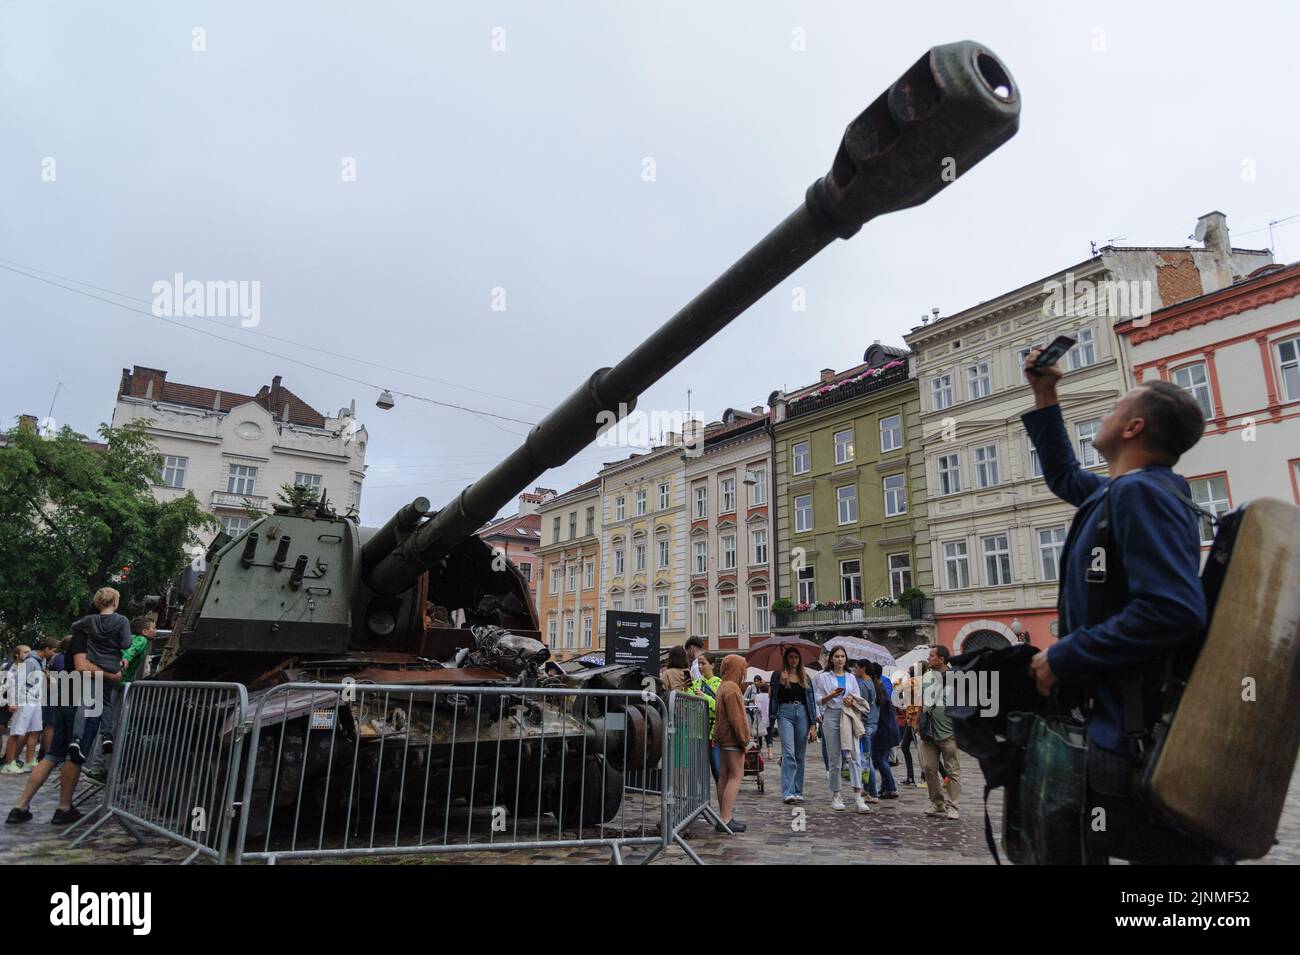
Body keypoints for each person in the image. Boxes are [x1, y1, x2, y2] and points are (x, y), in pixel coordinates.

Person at [1021, 348, 1211, 863]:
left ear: (1133, 428)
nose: (1102, 420)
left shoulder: (1142, 496)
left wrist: (1065, 654)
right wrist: (1044, 393)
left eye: (1113, 410)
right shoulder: (1117, 492)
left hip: (1128, 734)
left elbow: (1173, 609)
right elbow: (1063, 476)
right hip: (1110, 724)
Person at [6, 604, 117, 825]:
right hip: (86, 698)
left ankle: (21, 806)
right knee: (74, 756)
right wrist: (113, 675)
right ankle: (64, 807)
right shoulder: (94, 639)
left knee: (52, 754)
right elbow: (84, 667)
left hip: (68, 694)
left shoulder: (78, 635)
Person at [67, 588, 133, 764]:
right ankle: (107, 736)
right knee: (106, 702)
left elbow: (74, 627)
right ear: (115, 603)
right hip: (111, 666)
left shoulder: (90, 620)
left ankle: (76, 739)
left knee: (85, 701)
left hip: (94, 662)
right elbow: (127, 644)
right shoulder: (122, 621)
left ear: (97, 603)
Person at [85, 617, 154, 782]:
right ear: (145, 631)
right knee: (113, 726)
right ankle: (98, 767)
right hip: (120, 684)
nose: (156, 630)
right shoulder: (142, 640)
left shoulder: (127, 638)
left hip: (112, 683)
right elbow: (130, 651)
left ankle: (96, 766)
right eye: (154, 627)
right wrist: (125, 661)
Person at [815, 647, 870, 813]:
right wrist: (832, 695)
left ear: (846, 659)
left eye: (842, 656)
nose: (840, 659)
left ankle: (858, 795)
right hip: (831, 716)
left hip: (848, 715)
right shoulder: (822, 677)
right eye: (837, 656)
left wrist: (850, 699)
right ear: (831, 659)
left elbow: (857, 696)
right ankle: (837, 795)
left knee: (854, 756)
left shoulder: (851, 677)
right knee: (835, 758)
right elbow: (818, 700)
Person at [767, 646, 817, 805]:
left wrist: (813, 724)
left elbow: (811, 702)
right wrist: (781, 682)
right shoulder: (777, 675)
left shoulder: (805, 677)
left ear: (799, 659)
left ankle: (798, 790)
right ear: (786, 659)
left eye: (796, 657)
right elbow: (772, 697)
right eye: (791, 657)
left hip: (802, 712)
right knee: (788, 752)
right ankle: (788, 792)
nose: (793, 660)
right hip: (785, 712)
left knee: (799, 755)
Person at [712, 654, 751, 833]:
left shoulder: (722, 686)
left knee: (724, 777)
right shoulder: (733, 688)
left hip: (722, 739)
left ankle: (723, 816)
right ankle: (726, 818)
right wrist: (744, 740)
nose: (744, 672)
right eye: (743, 668)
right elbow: (737, 719)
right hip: (732, 740)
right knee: (736, 777)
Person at [920, 645, 960, 819]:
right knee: (929, 768)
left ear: (942, 659)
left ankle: (953, 806)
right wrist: (917, 722)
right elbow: (922, 701)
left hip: (949, 731)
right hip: (929, 731)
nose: (929, 658)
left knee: (952, 769)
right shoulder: (927, 676)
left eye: (931, 655)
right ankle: (937, 802)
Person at [3, 645, 44, 774]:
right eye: (25, 652)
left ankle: (27, 761)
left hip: (32, 700)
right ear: (17, 654)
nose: (28, 653)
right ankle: (9, 763)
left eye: (29, 651)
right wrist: (13, 701)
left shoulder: (34, 663)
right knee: (16, 731)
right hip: (15, 700)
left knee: (33, 730)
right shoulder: (11, 666)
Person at [869, 662, 900, 800]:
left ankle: (891, 787)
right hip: (889, 728)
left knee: (880, 759)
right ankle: (886, 788)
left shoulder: (876, 688)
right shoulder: (881, 686)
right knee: (882, 759)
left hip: (883, 729)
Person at [690, 654, 723, 781]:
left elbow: (719, 708)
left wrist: (705, 697)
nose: (700, 667)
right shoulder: (695, 683)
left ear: (712, 665)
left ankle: (723, 797)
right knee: (697, 771)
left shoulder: (719, 683)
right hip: (697, 732)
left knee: (717, 768)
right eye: (698, 664)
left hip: (714, 733)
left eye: (703, 663)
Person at [853, 661, 878, 799]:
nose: (855, 670)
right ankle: (867, 790)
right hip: (873, 723)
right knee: (866, 758)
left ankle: (872, 792)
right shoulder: (872, 683)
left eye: (856, 667)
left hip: (865, 724)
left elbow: (861, 706)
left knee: (866, 760)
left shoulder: (863, 685)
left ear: (863, 668)